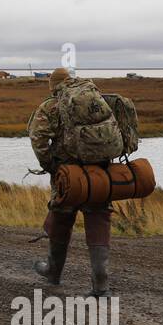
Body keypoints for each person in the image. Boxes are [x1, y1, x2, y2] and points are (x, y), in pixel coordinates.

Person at [27, 67, 113, 297]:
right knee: (98, 219)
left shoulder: (51, 106)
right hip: (100, 173)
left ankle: (53, 272)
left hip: (68, 175)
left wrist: (51, 166)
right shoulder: (95, 98)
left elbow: (38, 138)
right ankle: (101, 280)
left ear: (53, 85)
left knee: (61, 218)